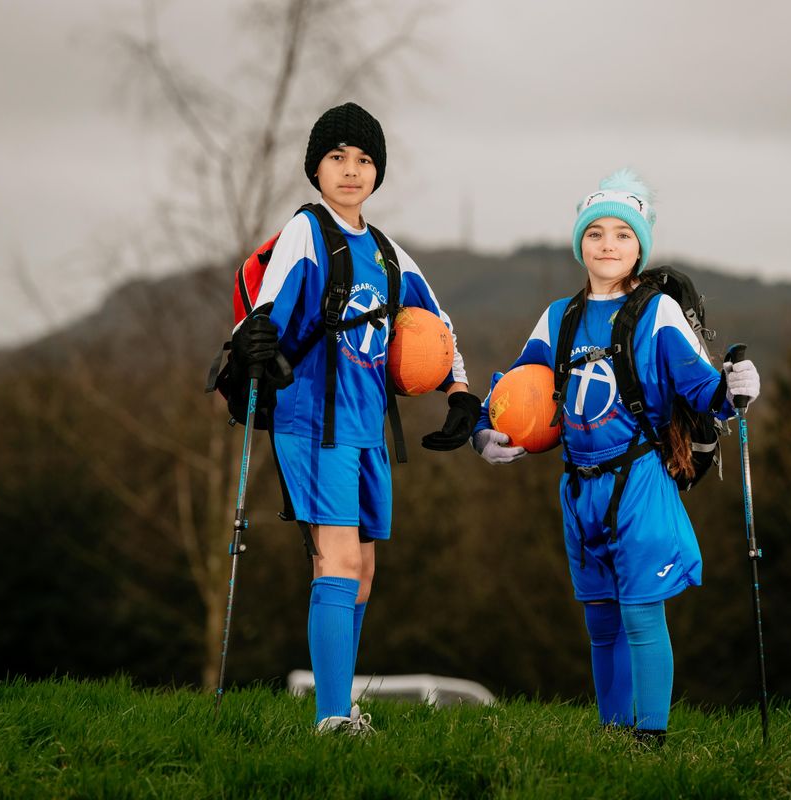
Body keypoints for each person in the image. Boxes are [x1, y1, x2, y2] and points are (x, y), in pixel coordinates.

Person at [471, 168, 761, 744]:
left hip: (640, 480)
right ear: (580, 242)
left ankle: (649, 740)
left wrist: (735, 389)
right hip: (579, 487)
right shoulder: (559, 316)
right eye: (596, 232)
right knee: (601, 619)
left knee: (641, 613)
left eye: (623, 234)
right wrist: (483, 430)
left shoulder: (658, 312)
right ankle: (612, 736)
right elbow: (517, 386)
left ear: (640, 246)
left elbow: (703, 391)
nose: (608, 245)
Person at [230, 102, 481, 734]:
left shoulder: (390, 254)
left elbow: (439, 325)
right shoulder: (306, 231)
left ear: (378, 172)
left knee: (363, 574)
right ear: (315, 168)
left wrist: (459, 392)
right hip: (313, 421)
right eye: (337, 157)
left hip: (368, 428)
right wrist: (251, 344)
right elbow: (263, 311)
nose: (350, 170)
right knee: (337, 562)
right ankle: (333, 718)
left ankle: (341, 702)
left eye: (364, 159)